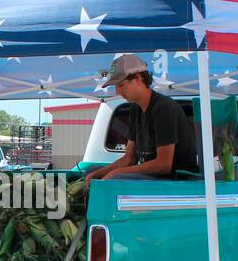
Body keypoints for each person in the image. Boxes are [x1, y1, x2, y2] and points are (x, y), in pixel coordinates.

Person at [84, 54, 199, 182]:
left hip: (175, 180)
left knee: (117, 177)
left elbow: (164, 165)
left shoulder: (163, 108)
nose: (117, 91)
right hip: (154, 178)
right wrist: (96, 174)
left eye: (121, 85)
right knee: (91, 170)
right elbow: (129, 159)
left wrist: (117, 172)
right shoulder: (135, 109)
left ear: (138, 79)